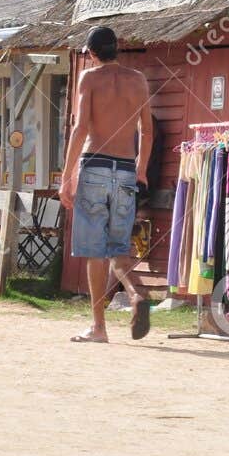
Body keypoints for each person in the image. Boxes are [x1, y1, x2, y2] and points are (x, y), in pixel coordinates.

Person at [59, 25, 153, 343]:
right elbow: (148, 131)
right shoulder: (138, 80)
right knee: (118, 248)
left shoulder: (90, 78)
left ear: (92, 53)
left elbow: (81, 126)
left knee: (95, 252)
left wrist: (67, 175)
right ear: (118, 48)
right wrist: (140, 169)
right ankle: (135, 294)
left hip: (95, 165)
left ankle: (99, 327)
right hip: (126, 169)